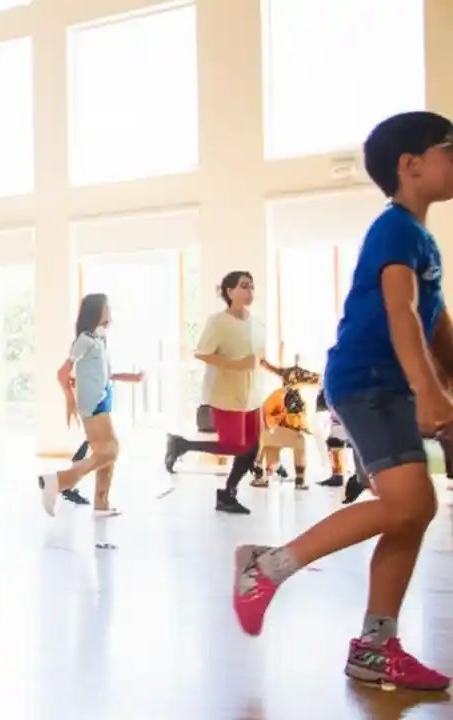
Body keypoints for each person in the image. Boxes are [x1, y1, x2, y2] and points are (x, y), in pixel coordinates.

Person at [233, 111, 453, 691]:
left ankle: (375, 647)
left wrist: (445, 379)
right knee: (409, 502)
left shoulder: (420, 237)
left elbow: (435, 323)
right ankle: (267, 567)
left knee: (416, 507)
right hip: (368, 379)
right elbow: (400, 312)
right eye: (450, 150)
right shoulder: (395, 229)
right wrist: (431, 390)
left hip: (389, 382)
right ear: (411, 166)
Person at [163, 271, 266, 514]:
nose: (249, 291)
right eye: (243, 286)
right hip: (225, 393)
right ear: (229, 292)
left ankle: (228, 493)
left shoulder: (256, 323)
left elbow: (258, 357)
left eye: (251, 286)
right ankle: (182, 445)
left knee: (252, 448)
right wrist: (236, 365)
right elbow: (201, 352)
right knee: (236, 445)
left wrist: (279, 370)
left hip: (252, 394)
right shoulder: (218, 321)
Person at [39, 294, 141, 517]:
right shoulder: (84, 340)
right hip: (92, 402)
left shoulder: (99, 339)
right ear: (96, 311)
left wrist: (131, 377)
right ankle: (58, 481)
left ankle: (101, 503)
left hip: (103, 397)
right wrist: (69, 398)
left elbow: (103, 373)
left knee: (107, 450)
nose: (110, 310)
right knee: (110, 450)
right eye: (107, 306)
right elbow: (62, 372)